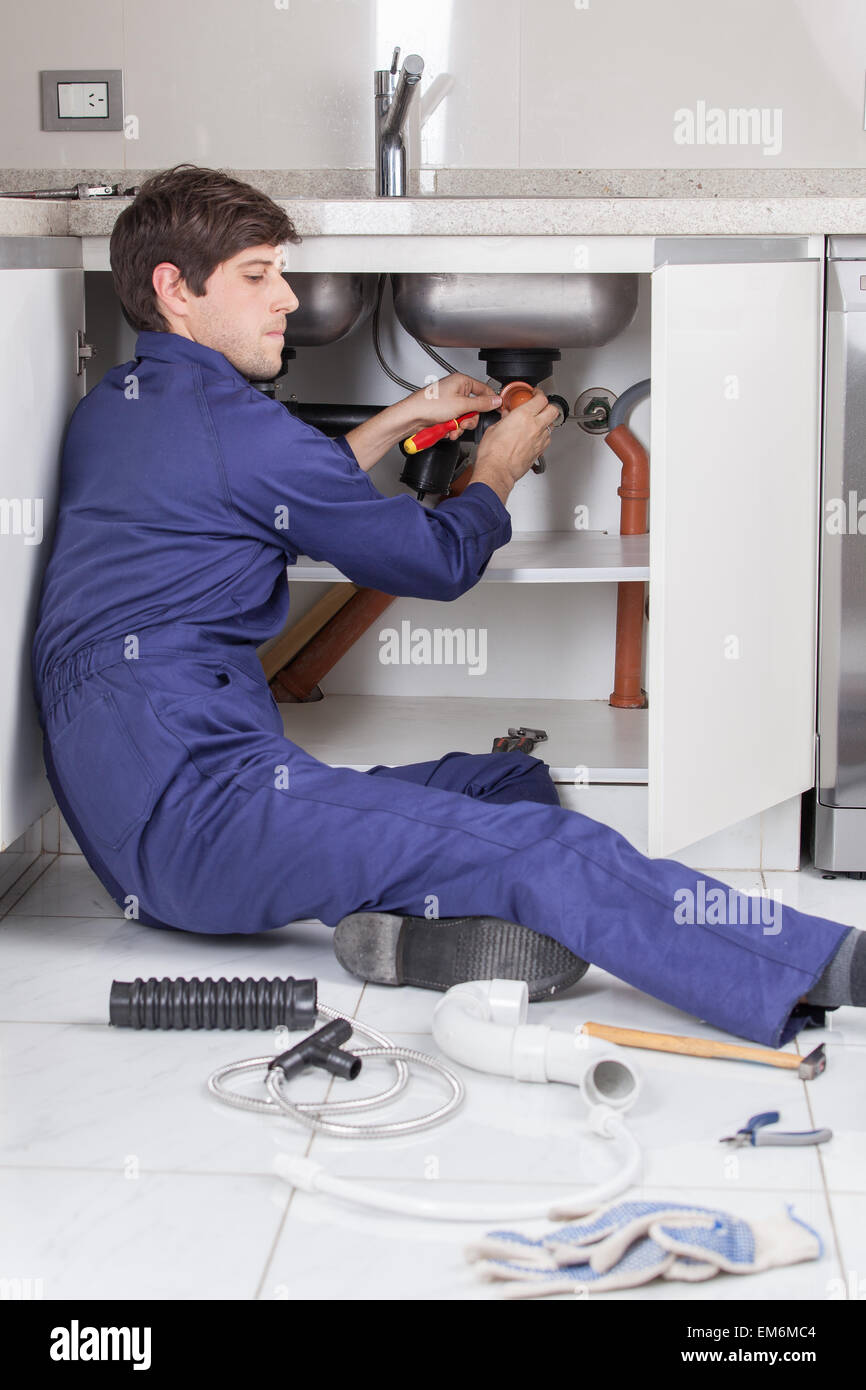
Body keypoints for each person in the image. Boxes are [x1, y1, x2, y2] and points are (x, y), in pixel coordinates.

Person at [31, 165, 864, 1049]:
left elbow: (274, 486)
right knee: (543, 852)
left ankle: (403, 942)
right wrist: (496, 468)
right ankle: (815, 967)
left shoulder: (123, 408)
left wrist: (413, 412)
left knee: (506, 784)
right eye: (256, 275)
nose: (285, 296)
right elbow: (436, 560)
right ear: (175, 289)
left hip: (142, 807)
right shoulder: (240, 430)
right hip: (197, 818)